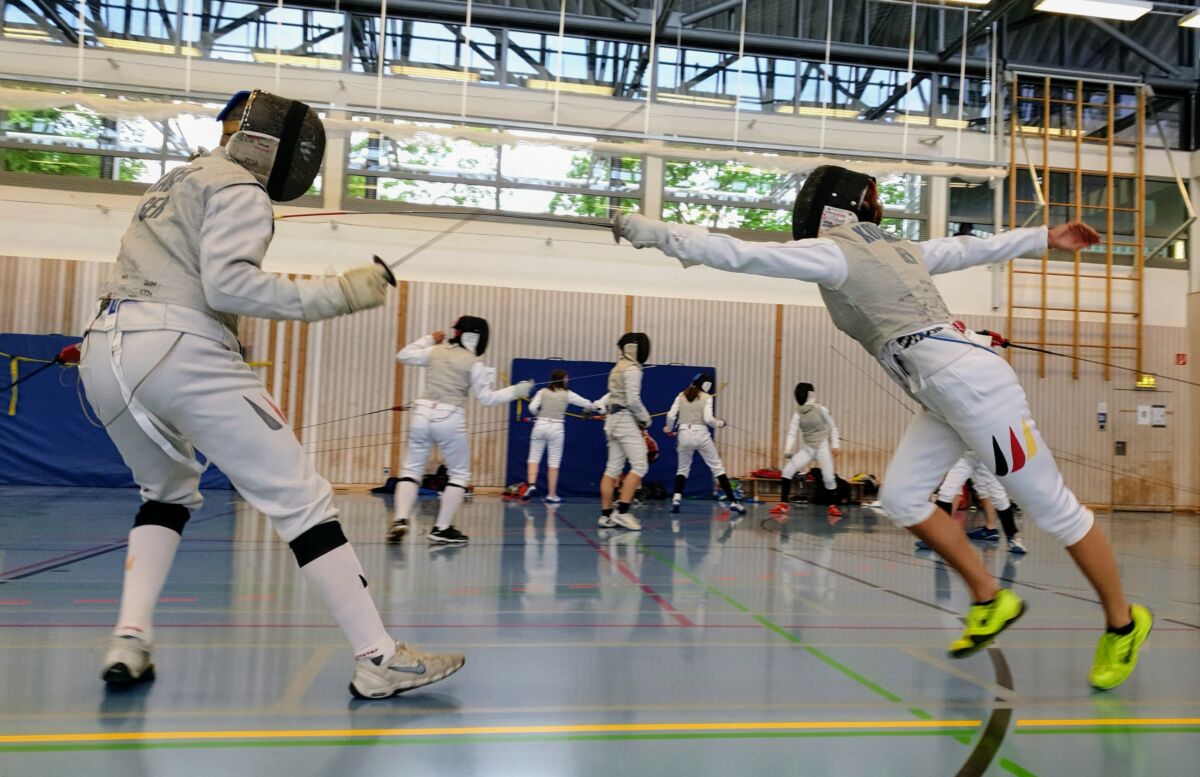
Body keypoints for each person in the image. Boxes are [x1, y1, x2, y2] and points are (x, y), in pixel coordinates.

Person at [614, 165, 1151, 689]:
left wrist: (651, 232)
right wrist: (1041, 237)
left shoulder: (834, 250)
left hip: (973, 388)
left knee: (1054, 509)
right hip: (939, 393)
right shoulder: (896, 246)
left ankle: (1124, 623)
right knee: (902, 498)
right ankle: (990, 597)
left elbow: (735, 252)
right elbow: (966, 249)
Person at [78, 89, 463, 699]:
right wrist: (338, 293)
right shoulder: (238, 186)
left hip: (105, 353)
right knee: (303, 501)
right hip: (182, 348)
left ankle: (130, 638)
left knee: (166, 493)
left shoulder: (176, 179)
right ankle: (378, 657)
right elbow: (228, 285)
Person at [389, 317, 533, 545]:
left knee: (411, 469)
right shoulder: (474, 362)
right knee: (459, 474)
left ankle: (400, 520)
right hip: (449, 416)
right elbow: (487, 399)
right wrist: (516, 390)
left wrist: (428, 339)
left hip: (422, 413)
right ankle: (441, 528)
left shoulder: (434, 351)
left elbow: (403, 355)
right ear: (476, 337)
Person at [664, 373, 746, 515]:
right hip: (701, 436)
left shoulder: (681, 395)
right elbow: (709, 420)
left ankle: (676, 499)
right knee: (718, 469)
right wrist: (721, 423)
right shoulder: (707, 398)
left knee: (682, 469)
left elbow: (670, 416)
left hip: (683, 435)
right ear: (706, 385)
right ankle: (734, 502)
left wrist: (669, 429)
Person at [596, 333, 652, 531]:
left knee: (612, 468)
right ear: (634, 348)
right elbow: (633, 400)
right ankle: (623, 512)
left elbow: (613, 395)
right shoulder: (632, 369)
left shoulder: (617, 367)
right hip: (625, 420)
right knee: (640, 465)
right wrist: (645, 418)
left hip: (612, 421)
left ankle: (605, 516)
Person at [918, 452, 1026, 555]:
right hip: (965, 456)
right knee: (946, 492)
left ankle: (1013, 537)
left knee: (998, 495)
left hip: (987, 456)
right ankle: (935, 538)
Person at [522, 369, 599, 502]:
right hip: (556, 428)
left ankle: (532, 484)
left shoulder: (542, 392)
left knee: (534, 457)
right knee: (554, 462)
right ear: (562, 379)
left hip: (540, 425)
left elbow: (532, 408)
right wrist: (595, 407)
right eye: (566, 378)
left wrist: (539, 414)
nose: (567, 380)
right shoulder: (567, 394)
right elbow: (585, 403)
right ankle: (551, 495)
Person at [770, 382, 843, 519]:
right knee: (787, 471)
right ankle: (783, 504)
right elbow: (792, 432)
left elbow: (833, 427)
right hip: (808, 448)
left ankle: (833, 505)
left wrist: (835, 445)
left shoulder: (821, 409)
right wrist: (788, 449)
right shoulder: (798, 413)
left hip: (822, 446)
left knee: (829, 478)